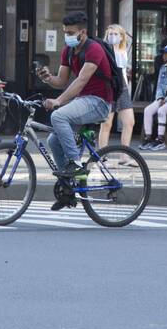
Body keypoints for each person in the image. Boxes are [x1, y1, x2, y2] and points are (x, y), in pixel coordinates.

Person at [36, 12, 116, 209]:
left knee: (58, 116)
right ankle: (68, 189)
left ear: (83, 32)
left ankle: (76, 164)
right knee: (53, 140)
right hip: (83, 102)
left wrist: (59, 101)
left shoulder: (94, 49)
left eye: (71, 32)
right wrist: (47, 78)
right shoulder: (68, 51)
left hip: (99, 102)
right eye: (65, 32)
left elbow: (80, 81)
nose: (67, 36)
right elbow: (61, 80)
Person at [99, 24, 134, 150]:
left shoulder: (123, 51)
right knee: (107, 123)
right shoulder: (104, 50)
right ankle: (103, 158)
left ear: (121, 37)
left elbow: (123, 71)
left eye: (116, 34)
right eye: (110, 34)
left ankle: (125, 156)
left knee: (129, 122)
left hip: (122, 87)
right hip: (109, 87)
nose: (113, 37)